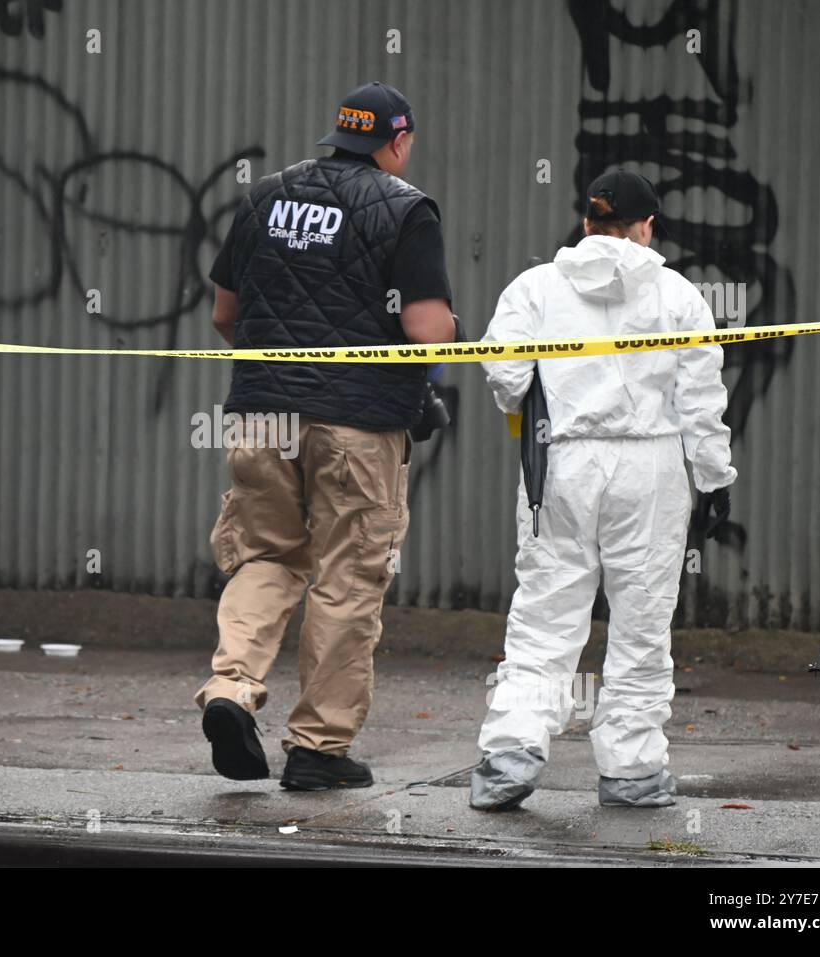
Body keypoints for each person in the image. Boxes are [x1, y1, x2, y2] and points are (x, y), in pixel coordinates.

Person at [194, 81, 456, 790]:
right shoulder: (408, 210)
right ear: (397, 141)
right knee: (346, 580)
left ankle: (229, 690)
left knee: (266, 556)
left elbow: (226, 313)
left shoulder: (264, 196)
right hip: (358, 426)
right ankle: (316, 747)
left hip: (263, 414)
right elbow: (425, 331)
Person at [470, 168, 735, 810]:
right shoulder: (679, 296)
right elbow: (699, 400)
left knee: (544, 615)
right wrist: (714, 476)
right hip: (651, 470)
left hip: (561, 464)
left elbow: (505, 376)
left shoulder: (534, 287)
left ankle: (511, 754)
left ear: (586, 221)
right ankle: (633, 770)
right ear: (646, 226)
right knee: (641, 623)